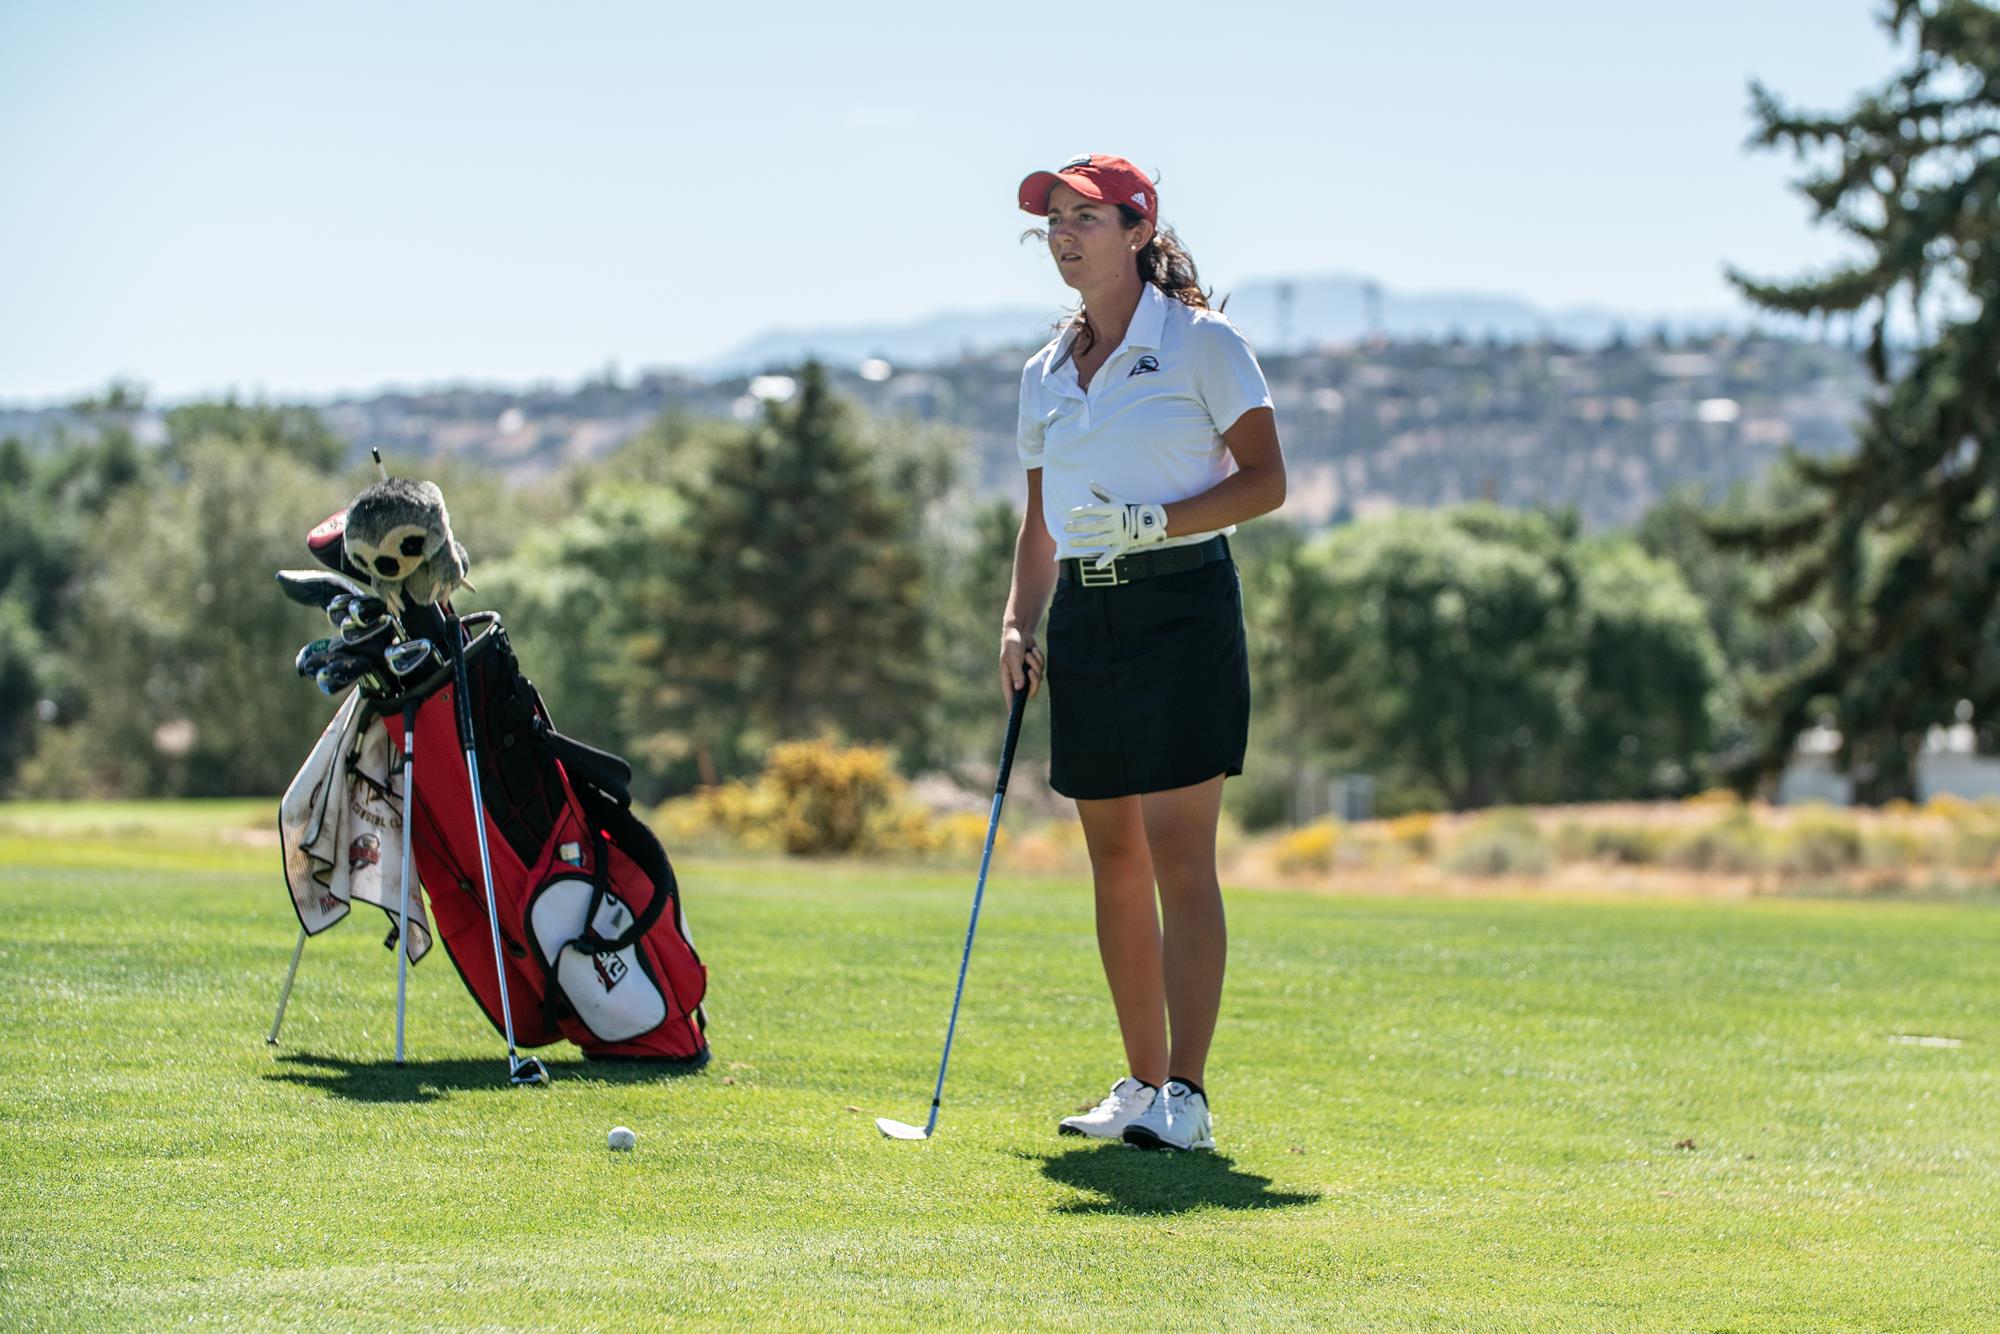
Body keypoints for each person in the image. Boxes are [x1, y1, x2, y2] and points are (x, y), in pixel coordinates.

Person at [1000, 154, 1286, 1151]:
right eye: (1053, 222)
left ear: (1136, 229)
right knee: (1111, 856)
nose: (1065, 236)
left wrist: (1152, 521)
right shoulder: (1043, 372)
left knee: (1176, 850)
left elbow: (1263, 482)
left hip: (1181, 609)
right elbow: (1038, 528)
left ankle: (1188, 1095)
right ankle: (1138, 1079)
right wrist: (1015, 622)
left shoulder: (1202, 344)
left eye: (1085, 217)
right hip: (1087, 619)